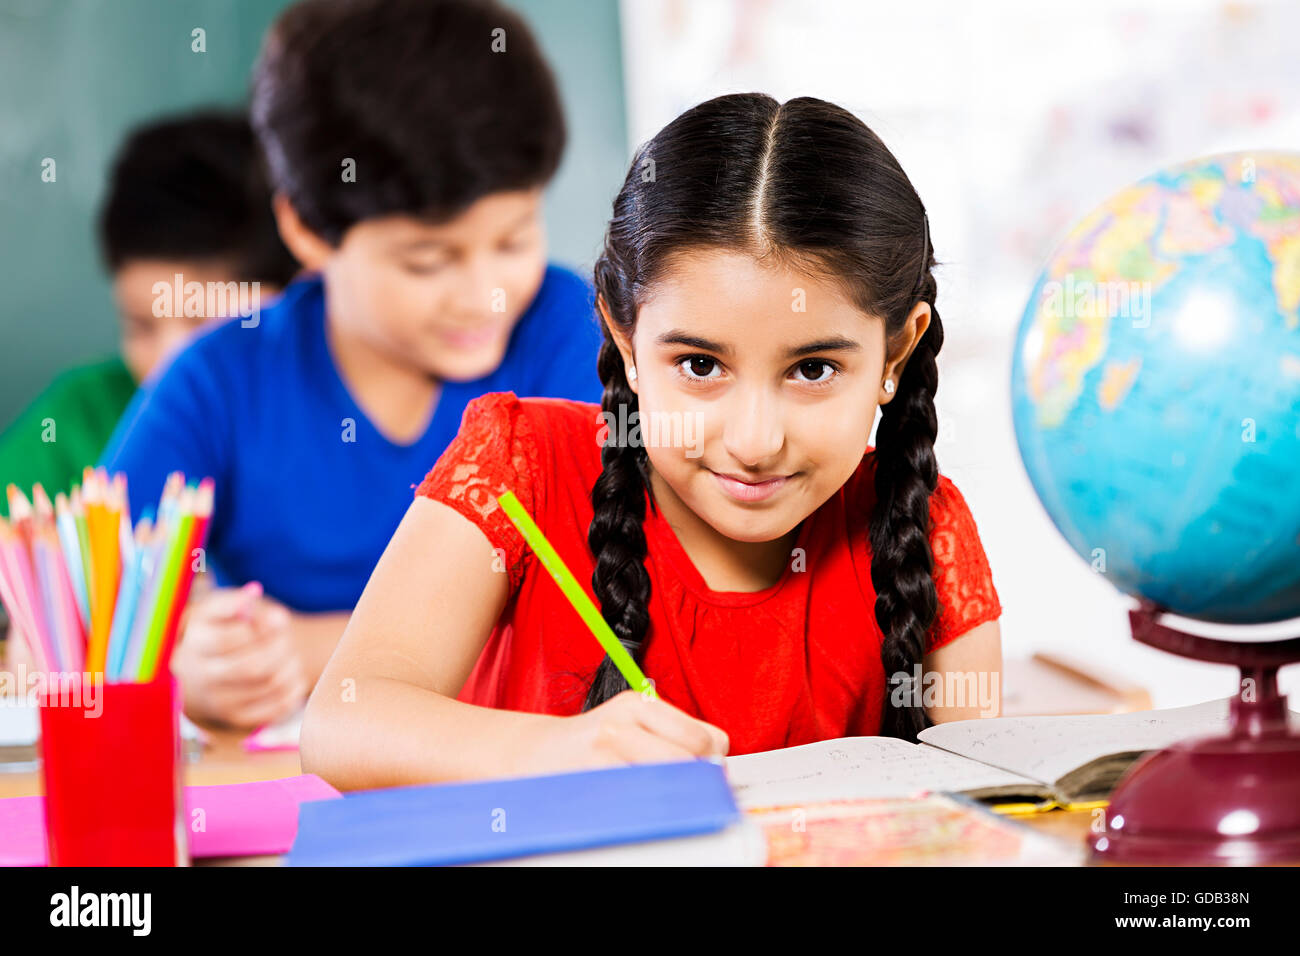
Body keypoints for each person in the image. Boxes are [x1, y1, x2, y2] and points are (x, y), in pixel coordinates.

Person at [303, 93, 1004, 790]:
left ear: (894, 354)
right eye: (700, 366)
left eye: (813, 369)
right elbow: (343, 721)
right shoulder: (522, 463)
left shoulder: (927, 527)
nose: (754, 442)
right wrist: (556, 750)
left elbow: (982, 804)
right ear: (625, 340)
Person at [102, 0, 603, 729]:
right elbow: (71, 633)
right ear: (306, 229)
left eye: (514, 239)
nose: (482, 293)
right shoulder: (218, 382)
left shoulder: (581, 339)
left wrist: (315, 651)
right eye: (428, 260)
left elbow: (606, 619)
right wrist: (182, 663)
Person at [0, 111, 296, 507]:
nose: (169, 362)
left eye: (206, 326)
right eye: (140, 326)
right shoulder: (75, 425)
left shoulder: (336, 424)